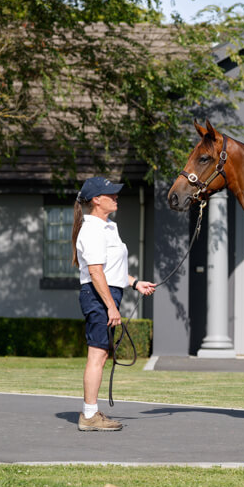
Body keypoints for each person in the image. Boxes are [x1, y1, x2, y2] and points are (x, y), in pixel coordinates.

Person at [71, 176, 155, 431]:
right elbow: (96, 272)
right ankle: (88, 415)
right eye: (112, 194)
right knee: (97, 354)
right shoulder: (93, 229)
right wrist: (111, 306)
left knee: (102, 353)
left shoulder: (108, 227)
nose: (117, 197)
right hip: (98, 296)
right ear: (97, 200)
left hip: (106, 294)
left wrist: (134, 282)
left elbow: (111, 269)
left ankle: (92, 410)